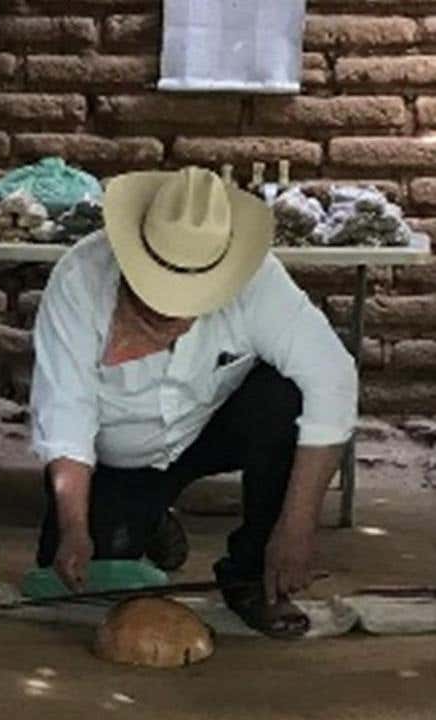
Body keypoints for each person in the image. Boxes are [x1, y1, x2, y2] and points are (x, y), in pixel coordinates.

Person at [30, 165, 357, 637]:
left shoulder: (259, 281)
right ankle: (150, 517)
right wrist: (74, 525)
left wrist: (299, 524)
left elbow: (334, 379)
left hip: (208, 427)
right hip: (116, 453)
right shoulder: (80, 279)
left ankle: (253, 577)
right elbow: (65, 412)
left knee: (283, 396)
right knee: (78, 574)